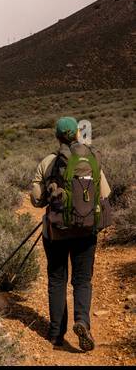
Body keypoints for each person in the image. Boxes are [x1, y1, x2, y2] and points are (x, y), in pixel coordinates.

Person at [29, 117, 112, 352]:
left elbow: (36, 199)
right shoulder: (91, 160)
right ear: (77, 134)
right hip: (86, 230)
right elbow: (104, 193)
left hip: (55, 232)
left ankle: (56, 334)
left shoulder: (49, 162)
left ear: (57, 137)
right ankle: (82, 322)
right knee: (82, 280)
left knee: (57, 280)